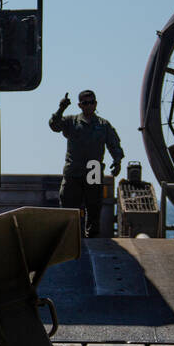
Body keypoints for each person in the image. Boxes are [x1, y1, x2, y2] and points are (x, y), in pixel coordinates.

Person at [49, 89, 124, 237]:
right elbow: (54, 126)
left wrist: (117, 161)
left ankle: (92, 239)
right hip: (74, 169)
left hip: (94, 169)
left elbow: (114, 144)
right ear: (79, 105)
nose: (89, 105)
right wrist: (61, 108)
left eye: (91, 102)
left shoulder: (103, 125)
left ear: (95, 104)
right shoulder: (71, 121)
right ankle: (71, 237)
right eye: (85, 103)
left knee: (94, 207)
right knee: (69, 206)